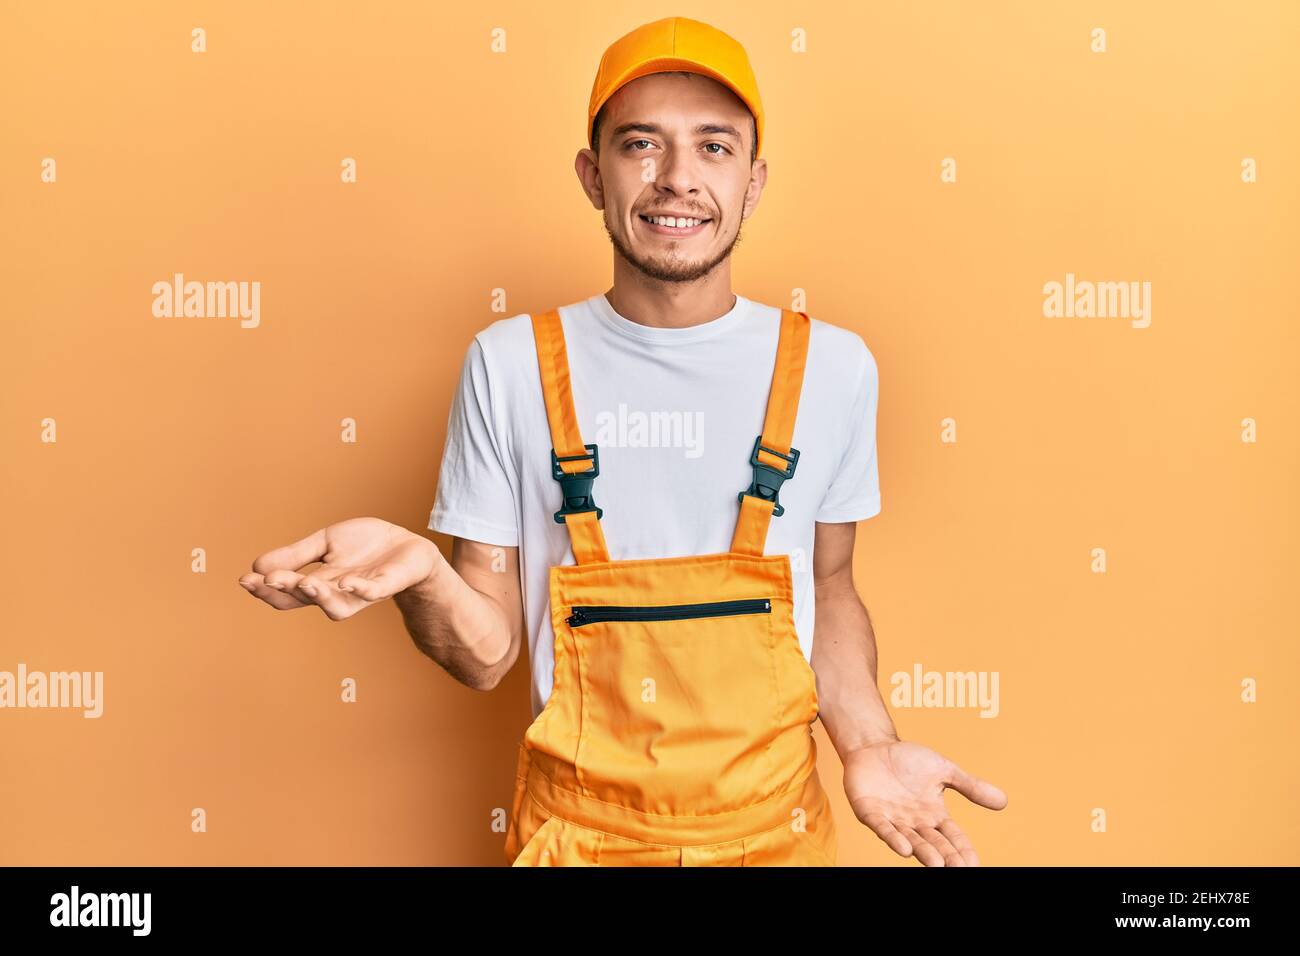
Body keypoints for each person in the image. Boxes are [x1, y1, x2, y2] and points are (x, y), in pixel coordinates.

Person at [239, 16, 1008, 867]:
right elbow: (486, 657)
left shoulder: (832, 368)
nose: (677, 179)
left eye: (713, 148)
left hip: (778, 842)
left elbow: (827, 588)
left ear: (753, 182)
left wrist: (867, 745)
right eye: (641, 143)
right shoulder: (510, 366)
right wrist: (423, 572)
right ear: (591, 174)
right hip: (577, 845)